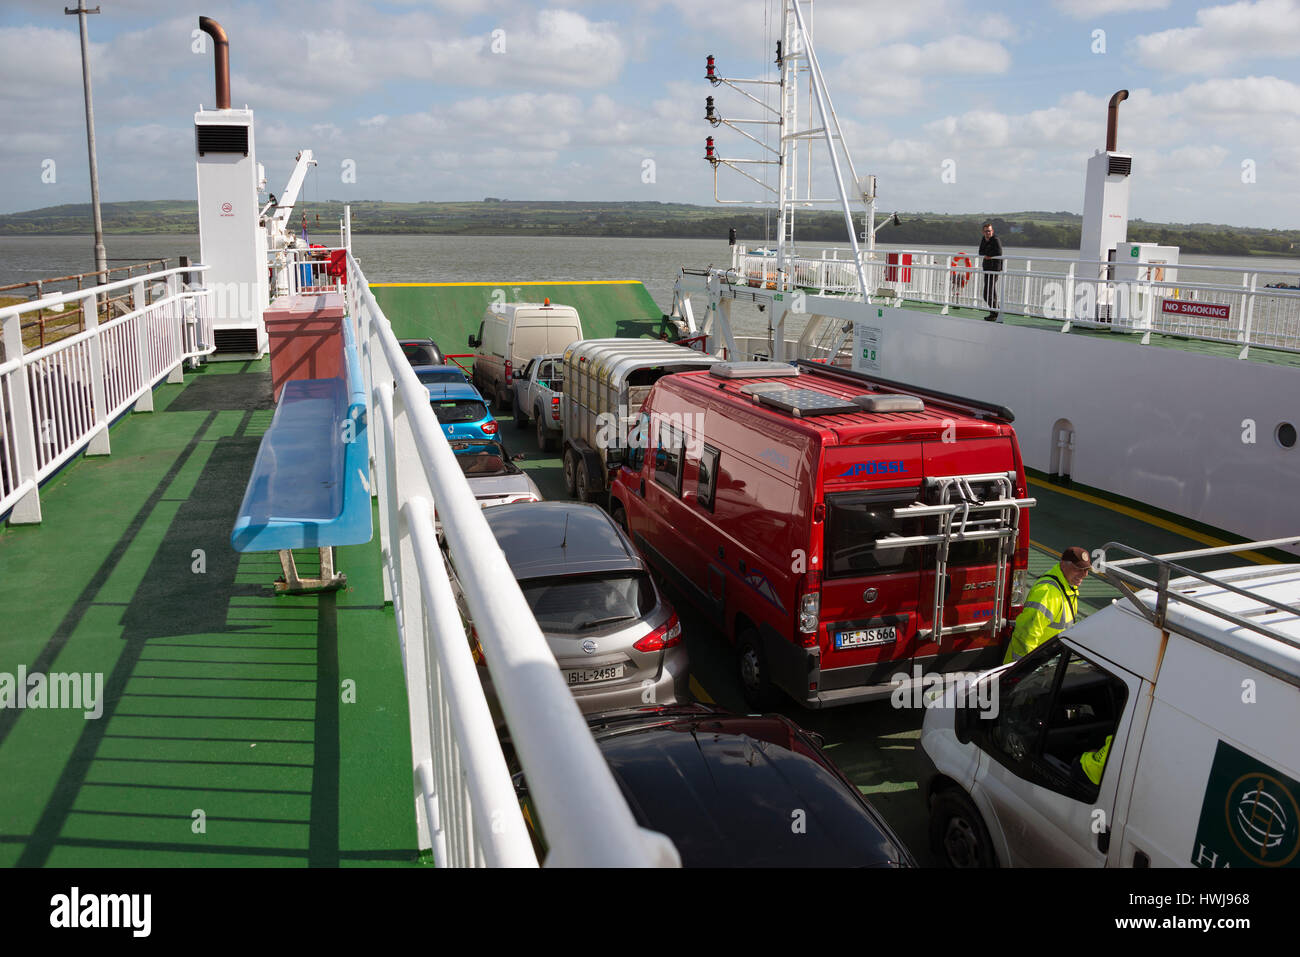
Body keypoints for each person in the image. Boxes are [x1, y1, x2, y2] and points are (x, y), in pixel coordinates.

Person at [1003, 546, 1090, 663]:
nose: (1084, 574)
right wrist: (1025, 669)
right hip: (1028, 668)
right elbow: (1027, 636)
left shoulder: (1068, 588)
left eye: (1086, 570)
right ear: (1063, 565)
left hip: (1045, 664)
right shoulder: (1047, 592)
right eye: (1078, 569)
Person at [979, 222, 1003, 320]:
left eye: (989, 231)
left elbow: (998, 252)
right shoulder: (983, 239)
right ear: (983, 232)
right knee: (990, 292)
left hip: (994, 269)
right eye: (986, 231)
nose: (987, 233)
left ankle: (995, 313)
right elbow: (980, 252)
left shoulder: (995, 240)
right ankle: (995, 312)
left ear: (992, 231)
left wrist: (988, 255)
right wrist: (987, 254)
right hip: (987, 268)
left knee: (988, 292)